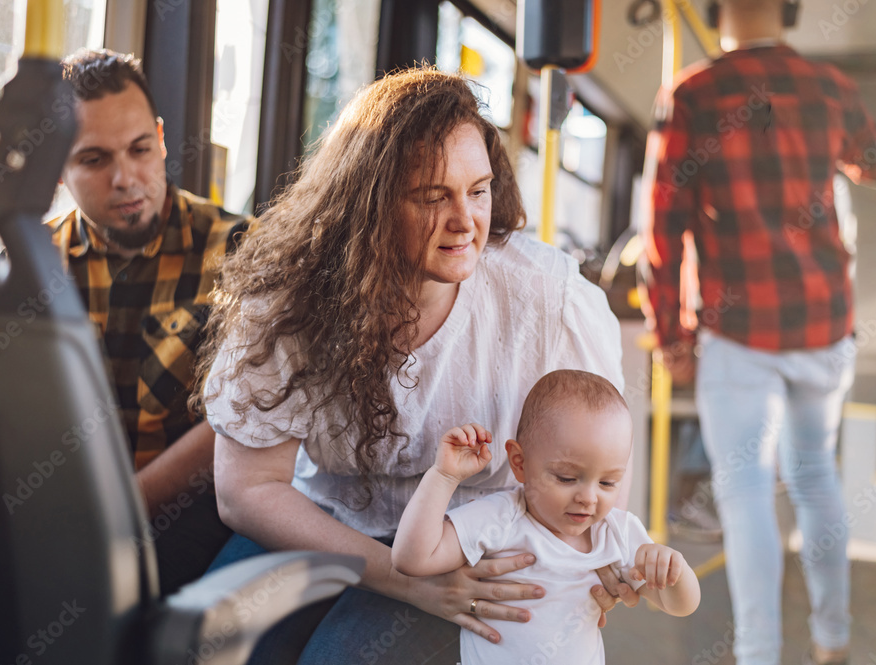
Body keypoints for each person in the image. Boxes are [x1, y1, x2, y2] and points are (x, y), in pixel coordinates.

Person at [198, 66, 634, 664]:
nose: (466, 222)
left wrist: (595, 558)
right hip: (325, 517)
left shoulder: (547, 299)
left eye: (477, 190)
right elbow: (247, 490)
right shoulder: (290, 301)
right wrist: (405, 581)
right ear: (370, 204)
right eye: (434, 197)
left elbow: (605, 449)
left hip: (472, 535)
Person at [641, 2, 876, 665]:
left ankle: (759, 652)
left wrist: (672, 337)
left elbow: (662, 230)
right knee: (816, 477)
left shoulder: (693, 93)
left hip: (739, 329)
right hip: (824, 324)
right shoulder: (829, 87)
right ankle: (834, 638)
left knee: (745, 487)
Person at [46, 49, 251, 595]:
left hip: (191, 513)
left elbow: (240, 418)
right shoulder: (33, 262)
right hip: (58, 510)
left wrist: (121, 506)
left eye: (140, 149)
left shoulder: (239, 250)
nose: (125, 179)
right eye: (93, 159)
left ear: (161, 140)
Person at [392, 369, 700, 665]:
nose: (589, 497)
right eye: (567, 478)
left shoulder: (616, 533)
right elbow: (412, 559)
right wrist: (444, 476)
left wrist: (674, 569)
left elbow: (681, 605)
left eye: (608, 482)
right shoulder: (500, 518)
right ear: (520, 463)